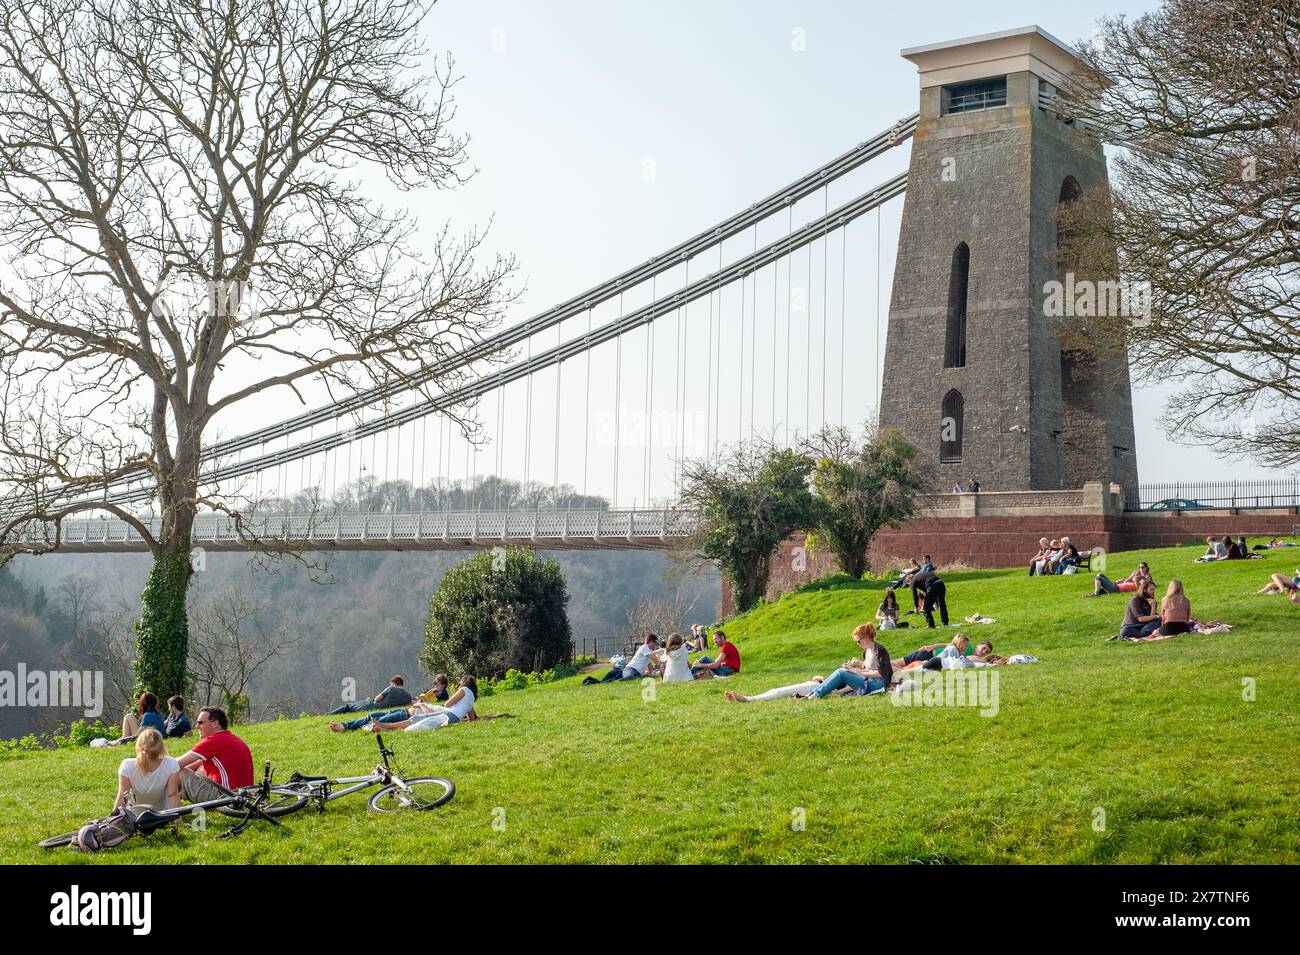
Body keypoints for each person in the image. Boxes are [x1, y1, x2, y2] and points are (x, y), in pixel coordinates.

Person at [176, 706, 254, 802]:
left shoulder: (213, 740)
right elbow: (200, 762)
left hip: (225, 798)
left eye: (200, 722)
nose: (196, 726)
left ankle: (168, 804)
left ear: (215, 723)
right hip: (242, 795)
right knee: (199, 768)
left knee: (179, 772)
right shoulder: (229, 738)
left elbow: (175, 764)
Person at [358, 676, 480, 732]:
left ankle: (387, 726)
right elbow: (472, 718)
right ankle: (387, 727)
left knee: (418, 718)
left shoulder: (464, 690)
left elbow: (447, 704)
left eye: (459, 683)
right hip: (451, 717)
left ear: (464, 684)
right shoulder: (471, 698)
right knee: (417, 718)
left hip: (448, 714)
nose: (458, 686)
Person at [805, 624, 892, 698]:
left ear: (866, 637)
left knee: (841, 673)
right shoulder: (867, 651)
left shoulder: (879, 650)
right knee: (843, 671)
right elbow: (869, 670)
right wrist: (850, 669)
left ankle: (814, 695)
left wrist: (855, 671)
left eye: (858, 641)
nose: (858, 644)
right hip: (869, 681)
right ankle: (811, 694)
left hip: (879, 684)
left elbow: (880, 673)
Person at [114, 728, 181, 813]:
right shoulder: (171, 764)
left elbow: (122, 797)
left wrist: (113, 821)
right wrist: (176, 819)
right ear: (161, 747)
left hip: (134, 816)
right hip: (162, 815)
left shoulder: (127, 765)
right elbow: (173, 794)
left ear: (139, 745)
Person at [582, 634, 659, 684]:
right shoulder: (644, 647)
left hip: (637, 673)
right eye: (655, 643)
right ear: (651, 642)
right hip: (630, 669)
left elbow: (649, 664)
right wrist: (660, 665)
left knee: (631, 679)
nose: (655, 645)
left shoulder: (649, 651)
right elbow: (653, 658)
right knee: (629, 678)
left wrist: (650, 675)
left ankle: (591, 681)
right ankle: (613, 682)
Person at [328, 675, 413, 714]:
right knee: (351, 711)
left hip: (372, 706)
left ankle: (328, 715)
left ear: (394, 683)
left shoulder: (390, 688)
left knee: (348, 706)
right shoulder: (408, 696)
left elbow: (377, 699)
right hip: (386, 710)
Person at [895, 633, 974, 670]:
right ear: (959, 644)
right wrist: (929, 647)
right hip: (926, 656)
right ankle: (887, 665)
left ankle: (889, 667)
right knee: (901, 666)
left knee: (903, 668)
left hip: (928, 659)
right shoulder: (953, 649)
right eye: (965, 645)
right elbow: (951, 663)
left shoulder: (952, 648)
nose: (966, 648)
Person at [725, 677, 825, 703]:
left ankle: (747, 699)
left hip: (817, 686)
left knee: (779, 692)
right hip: (817, 684)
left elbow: (840, 690)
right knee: (777, 691)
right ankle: (747, 698)